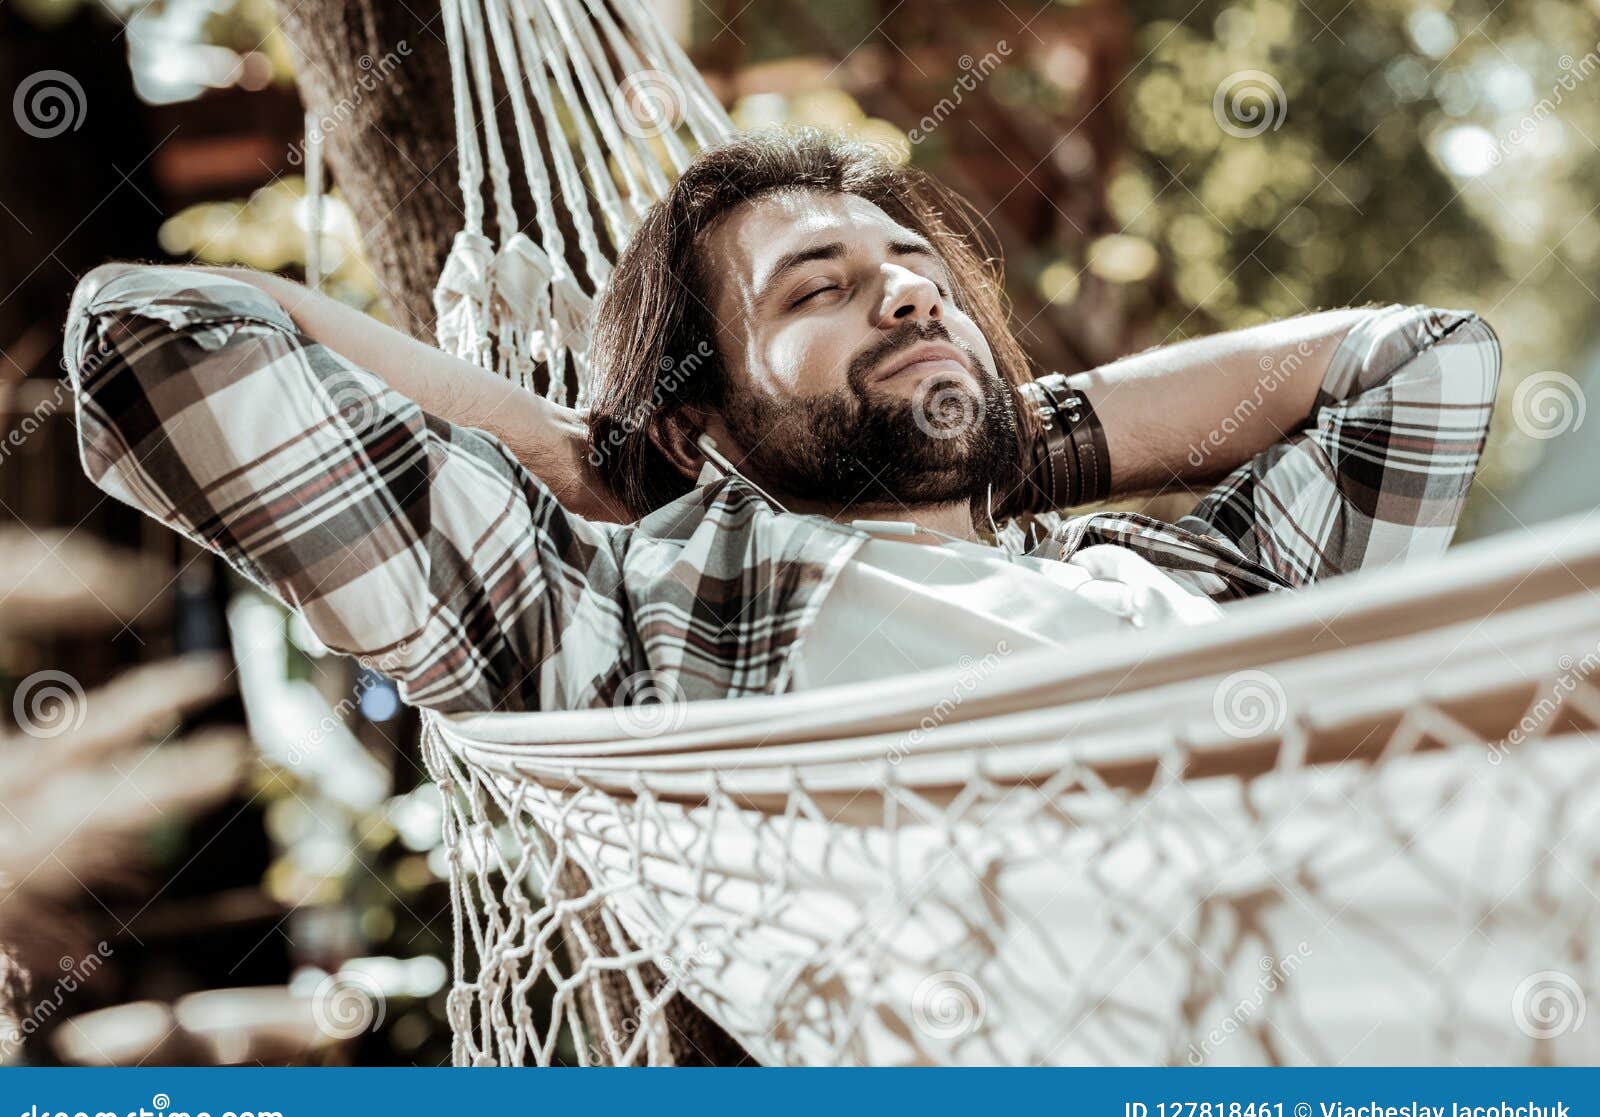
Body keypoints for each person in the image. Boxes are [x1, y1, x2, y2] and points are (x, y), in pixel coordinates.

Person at [63, 128, 1501, 715]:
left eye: (924, 280)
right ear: (702, 425)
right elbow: (154, 340)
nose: (908, 300)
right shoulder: (635, 633)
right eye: (821, 287)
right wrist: (596, 466)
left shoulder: (1185, 579)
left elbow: (1426, 365)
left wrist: (1010, 437)